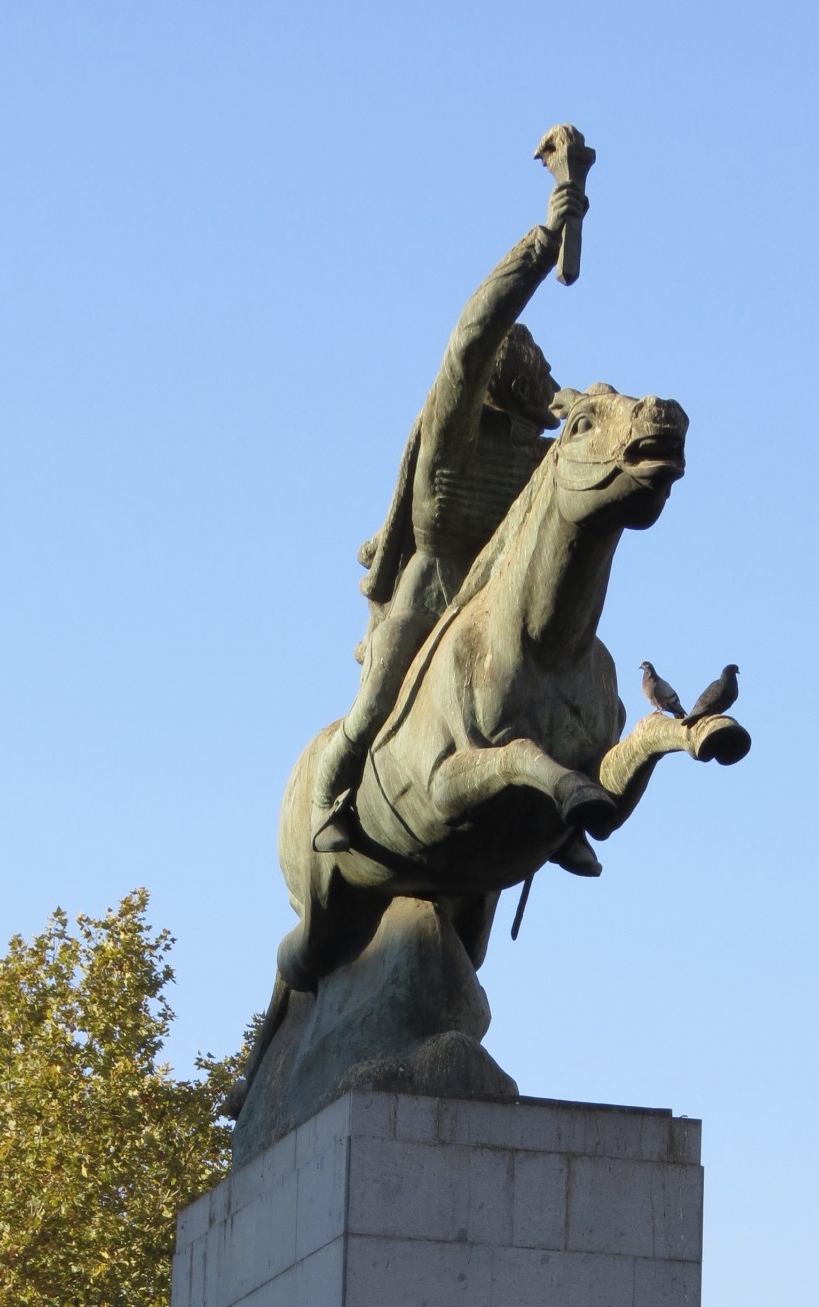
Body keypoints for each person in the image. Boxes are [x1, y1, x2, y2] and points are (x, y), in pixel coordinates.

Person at [310, 178, 589, 857]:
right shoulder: (452, 431)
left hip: (497, 597)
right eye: (529, 370)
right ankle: (330, 796)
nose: (541, 379)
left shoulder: (538, 458)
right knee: (377, 698)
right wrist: (544, 240)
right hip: (432, 589)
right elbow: (473, 336)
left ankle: (564, 808)